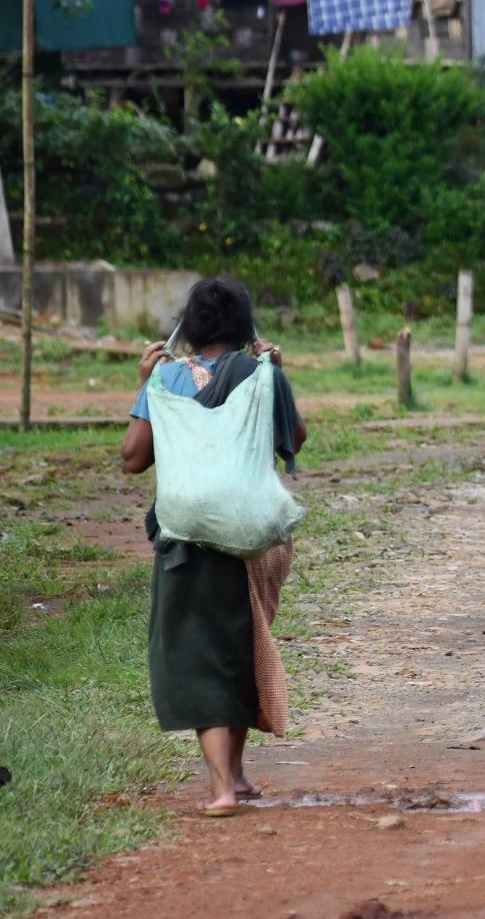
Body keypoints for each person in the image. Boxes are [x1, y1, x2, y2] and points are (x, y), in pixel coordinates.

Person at [119, 277, 306, 817]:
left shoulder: (167, 376)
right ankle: (239, 776)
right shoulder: (260, 373)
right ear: (247, 325)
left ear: (189, 327)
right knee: (239, 648)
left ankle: (223, 785)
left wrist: (145, 384)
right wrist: (276, 375)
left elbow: (133, 457)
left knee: (198, 655)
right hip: (254, 539)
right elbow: (292, 439)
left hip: (186, 537)